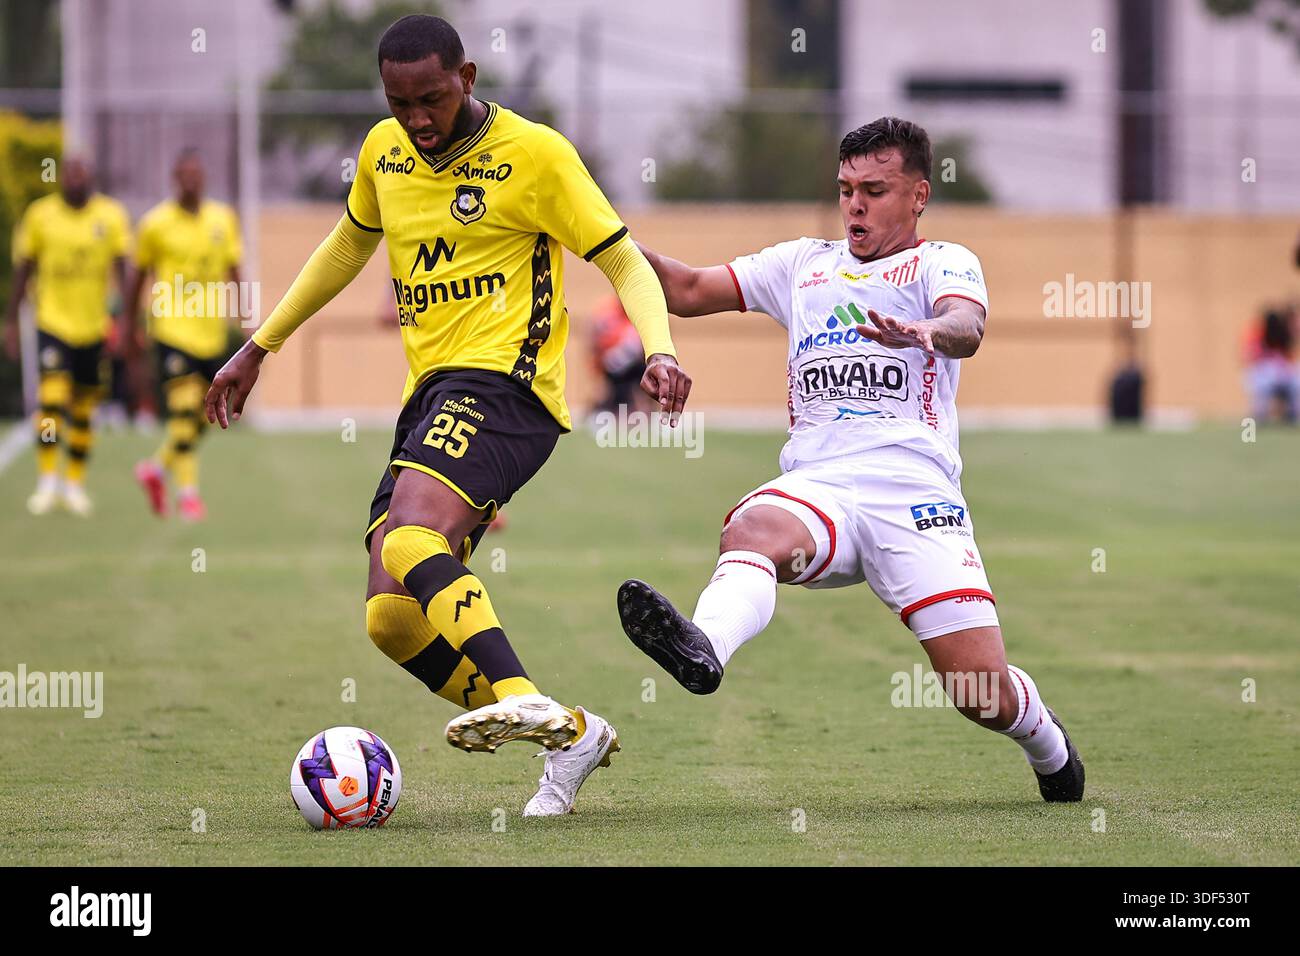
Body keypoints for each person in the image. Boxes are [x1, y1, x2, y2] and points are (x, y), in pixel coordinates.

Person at [204, 15, 691, 816]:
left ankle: (520, 693)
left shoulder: (535, 154)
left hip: (511, 385)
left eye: (430, 99)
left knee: (411, 535)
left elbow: (622, 258)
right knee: (392, 617)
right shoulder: (382, 152)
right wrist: (259, 346)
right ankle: (570, 736)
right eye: (400, 104)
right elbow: (344, 248)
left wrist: (661, 350)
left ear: (466, 75)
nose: (417, 121)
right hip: (430, 395)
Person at [619, 116, 1084, 802]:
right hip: (820, 484)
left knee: (978, 691)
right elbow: (685, 291)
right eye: (846, 189)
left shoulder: (941, 263)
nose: (856, 205)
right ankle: (705, 648)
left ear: (919, 194)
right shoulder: (801, 263)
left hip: (913, 490)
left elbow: (968, 327)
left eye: (874, 188)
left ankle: (1050, 747)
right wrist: (598, 234)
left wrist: (926, 329)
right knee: (750, 529)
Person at [4, 157, 130, 516]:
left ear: (92, 178)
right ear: (60, 178)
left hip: (93, 327)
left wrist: (124, 324)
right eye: (70, 174)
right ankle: (47, 480)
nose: (76, 180)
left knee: (84, 408)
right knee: (51, 400)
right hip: (52, 323)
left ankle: (74, 483)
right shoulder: (40, 216)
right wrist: (11, 322)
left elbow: (125, 271)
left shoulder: (111, 216)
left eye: (83, 173)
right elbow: (23, 269)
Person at [127, 149, 245, 520]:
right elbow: (138, 278)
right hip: (171, 328)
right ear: (175, 178)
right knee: (182, 410)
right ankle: (189, 496)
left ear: (204, 178)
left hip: (210, 332)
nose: (193, 180)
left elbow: (234, 270)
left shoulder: (223, 219)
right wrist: (129, 326)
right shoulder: (154, 224)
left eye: (198, 174)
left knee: (205, 414)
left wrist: (246, 319)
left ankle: (156, 470)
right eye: (186, 174)